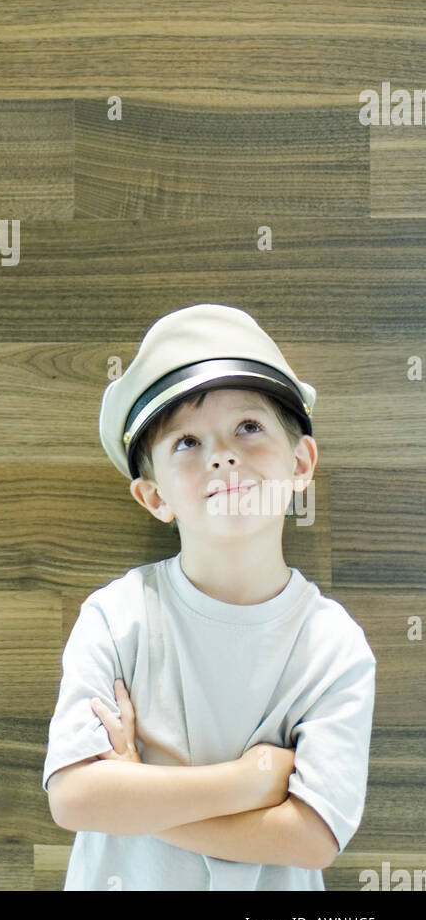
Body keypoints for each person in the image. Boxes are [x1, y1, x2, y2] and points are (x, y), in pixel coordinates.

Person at [42, 302, 376, 890]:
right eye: (186, 443)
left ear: (301, 462)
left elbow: (311, 837)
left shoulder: (333, 646)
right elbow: (76, 798)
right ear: (153, 497)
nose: (222, 455)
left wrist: (140, 794)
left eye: (249, 427)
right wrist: (251, 780)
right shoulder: (116, 618)